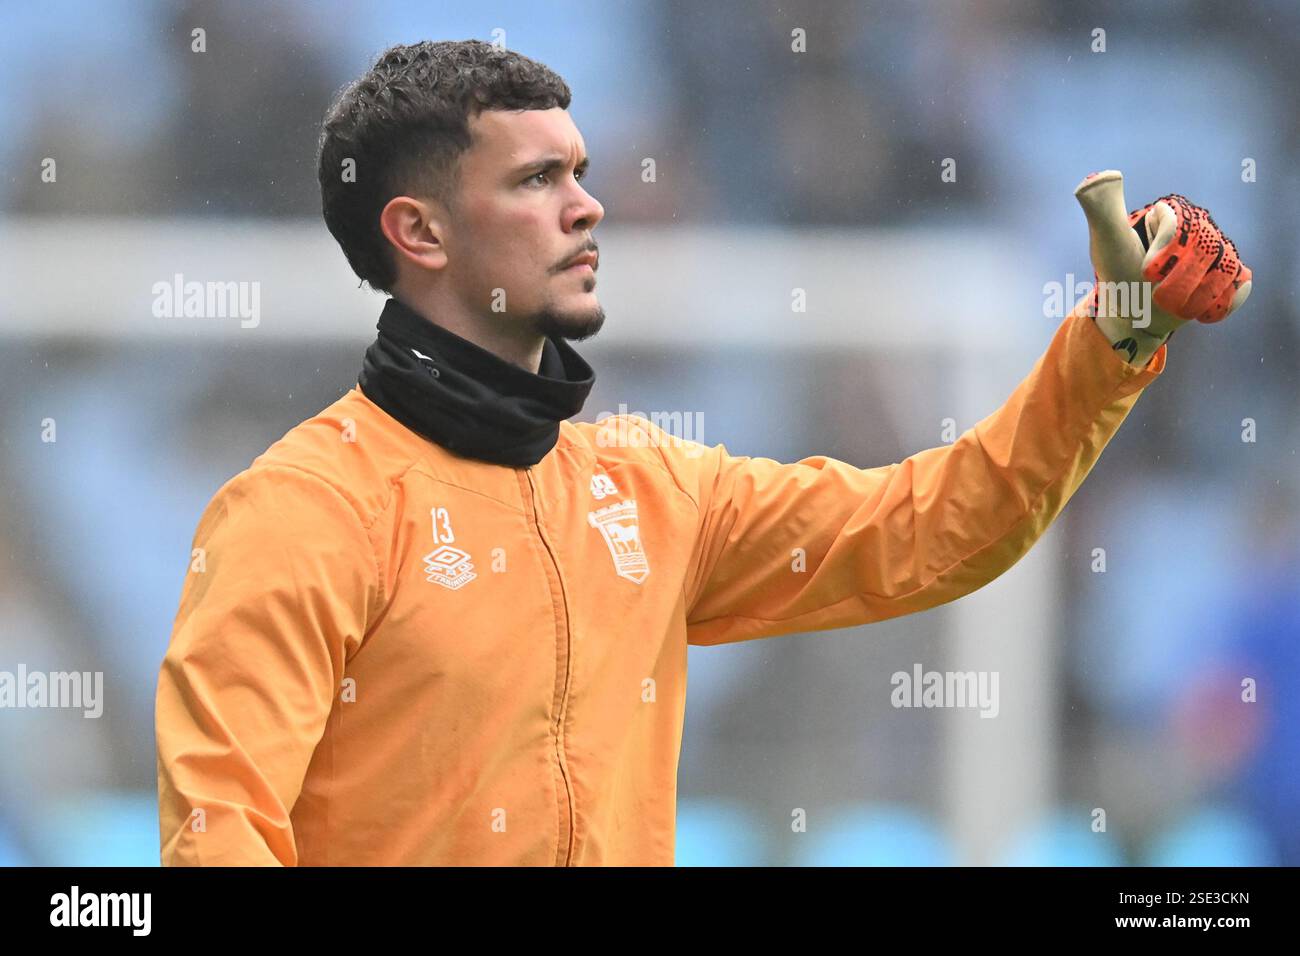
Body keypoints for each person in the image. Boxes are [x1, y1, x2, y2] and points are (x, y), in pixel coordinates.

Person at [155, 39, 1248, 866]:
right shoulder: (298, 513)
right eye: (535, 180)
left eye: (579, 171)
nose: (588, 206)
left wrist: (1111, 338)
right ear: (420, 232)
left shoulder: (649, 488)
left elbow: (937, 526)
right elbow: (217, 838)